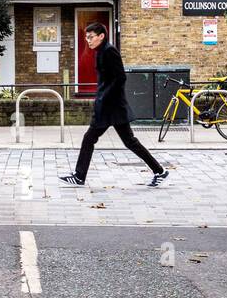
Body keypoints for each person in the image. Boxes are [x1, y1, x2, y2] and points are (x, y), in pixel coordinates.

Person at [60, 23, 168, 188]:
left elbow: (120, 78)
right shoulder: (99, 52)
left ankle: (80, 176)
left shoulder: (109, 51)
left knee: (113, 140)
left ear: (101, 36)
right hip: (108, 107)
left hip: (113, 107)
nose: (87, 40)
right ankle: (159, 171)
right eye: (86, 37)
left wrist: (103, 97)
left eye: (91, 37)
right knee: (119, 141)